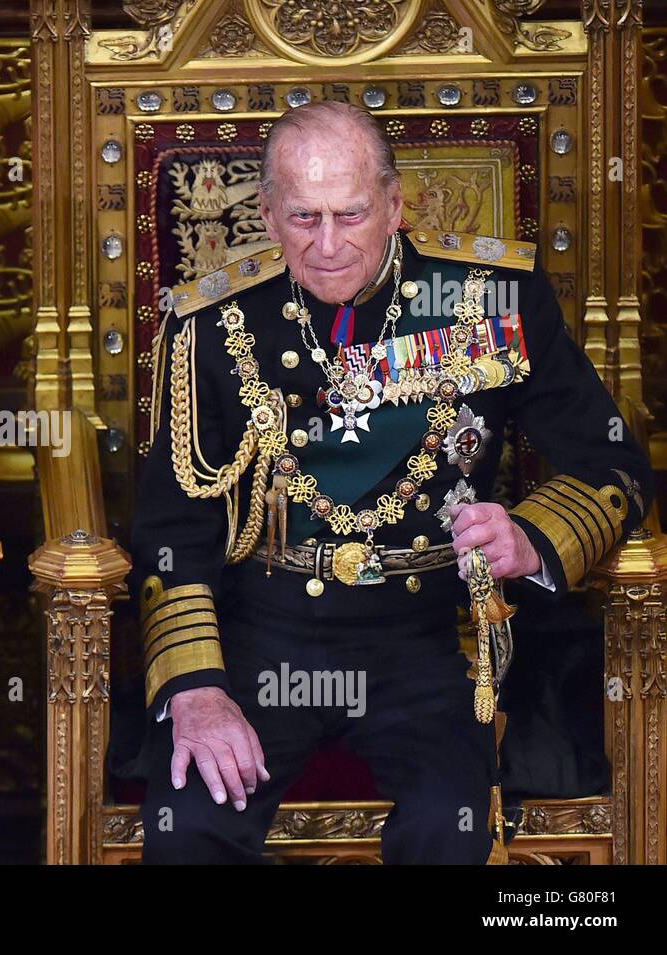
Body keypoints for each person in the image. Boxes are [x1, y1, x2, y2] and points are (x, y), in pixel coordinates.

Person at [132, 100, 654, 863]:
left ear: (394, 205)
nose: (328, 244)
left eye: (351, 214)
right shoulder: (212, 325)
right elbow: (171, 531)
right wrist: (198, 689)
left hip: (428, 637)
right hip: (263, 637)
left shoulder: (491, 298)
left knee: (451, 827)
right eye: (304, 217)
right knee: (190, 827)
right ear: (269, 216)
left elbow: (614, 465)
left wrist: (530, 536)